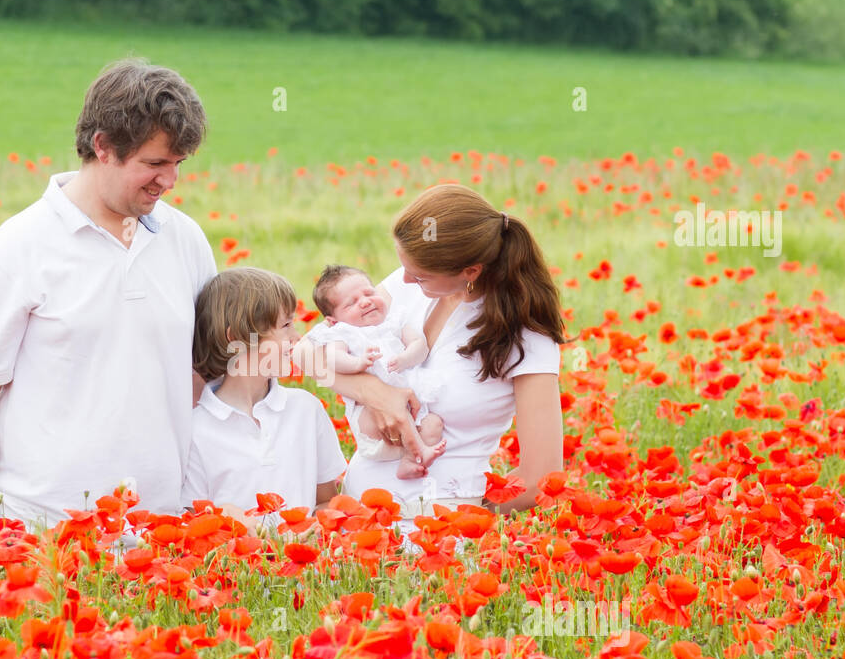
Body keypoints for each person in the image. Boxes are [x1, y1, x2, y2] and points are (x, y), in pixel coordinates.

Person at [0, 59, 215, 539]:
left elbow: (208, 369)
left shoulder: (185, 239)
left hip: (162, 530)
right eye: (154, 164)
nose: (170, 181)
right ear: (104, 147)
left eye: (178, 164)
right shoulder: (20, 247)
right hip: (42, 533)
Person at [297, 184, 566, 520]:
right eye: (404, 267)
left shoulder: (526, 338)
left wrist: (459, 521)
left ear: (470, 272)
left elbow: (540, 479)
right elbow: (305, 353)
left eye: (420, 276)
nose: (406, 280)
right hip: (357, 515)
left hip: (443, 532)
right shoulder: (406, 287)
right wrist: (377, 394)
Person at [181, 268, 347, 530]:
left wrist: (318, 526)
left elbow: (326, 501)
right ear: (235, 338)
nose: (297, 337)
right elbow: (196, 524)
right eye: (285, 326)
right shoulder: (196, 429)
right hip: (237, 569)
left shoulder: (305, 409)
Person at [305, 264, 447, 479]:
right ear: (333, 320)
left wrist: (406, 357)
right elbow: (334, 359)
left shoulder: (394, 321)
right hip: (371, 418)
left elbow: (420, 345)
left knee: (434, 424)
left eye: (369, 293)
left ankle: (410, 461)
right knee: (400, 412)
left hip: (411, 407)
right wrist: (357, 363)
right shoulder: (343, 332)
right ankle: (419, 450)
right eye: (351, 303)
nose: (365, 301)